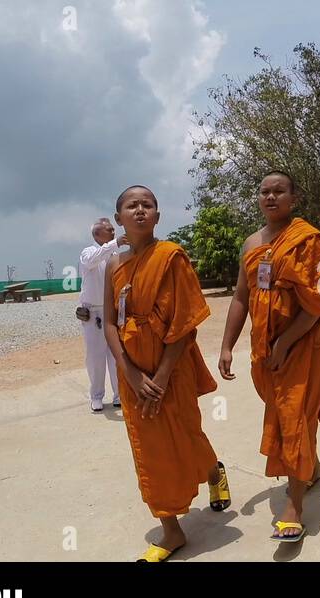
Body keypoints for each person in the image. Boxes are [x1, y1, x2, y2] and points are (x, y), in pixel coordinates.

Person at [104, 185, 232, 561]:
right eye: (132, 205)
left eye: (148, 205)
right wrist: (128, 372)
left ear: (157, 216)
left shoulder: (172, 256)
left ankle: (213, 473)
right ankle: (172, 530)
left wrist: (160, 376)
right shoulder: (114, 265)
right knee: (150, 449)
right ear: (119, 219)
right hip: (132, 374)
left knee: (186, 435)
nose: (140, 210)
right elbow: (110, 324)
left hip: (170, 371)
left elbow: (187, 322)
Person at [219, 171, 320, 543]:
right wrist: (226, 345)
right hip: (265, 348)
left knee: (294, 415)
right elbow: (241, 297)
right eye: (264, 192)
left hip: (304, 343)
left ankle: (294, 507)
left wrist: (285, 342)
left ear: (294, 198)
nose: (271, 197)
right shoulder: (251, 243)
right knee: (285, 412)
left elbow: (319, 303)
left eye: (279, 191)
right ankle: (311, 467)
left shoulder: (311, 240)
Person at [79, 219, 126, 412]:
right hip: (93, 313)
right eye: (109, 229)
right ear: (98, 234)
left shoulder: (115, 255)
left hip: (112, 310)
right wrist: (115, 244)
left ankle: (119, 395)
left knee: (116, 355)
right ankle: (96, 396)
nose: (113, 231)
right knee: (95, 357)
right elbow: (93, 261)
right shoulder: (88, 253)